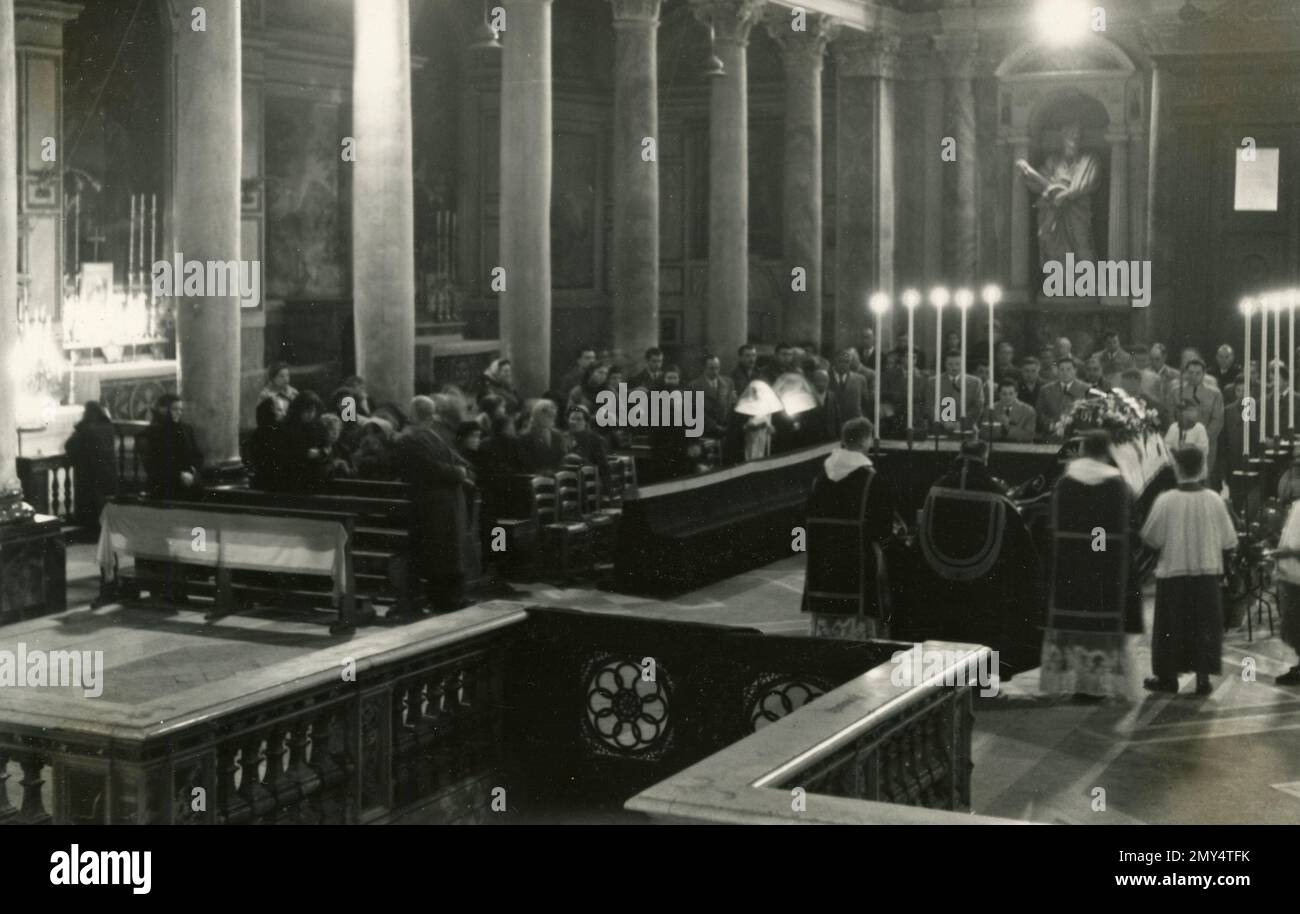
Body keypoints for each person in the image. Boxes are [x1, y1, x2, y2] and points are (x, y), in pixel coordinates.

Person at [1040, 431, 1144, 699]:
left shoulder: (1065, 484)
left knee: (1074, 624)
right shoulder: (1117, 485)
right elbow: (1128, 526)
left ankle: (1076, 684)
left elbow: (1053, 526)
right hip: (1107, 568)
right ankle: (1099, 685)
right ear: (1107, 451)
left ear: (1084, 450)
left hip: (1071, 567)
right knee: (1101, 625)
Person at [1140, 446, 1238, 696]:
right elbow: (1230, 541)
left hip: (1173, 574)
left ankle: (1167, 678)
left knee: (1171, 627)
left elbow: (1150, 539)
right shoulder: (1214, 500)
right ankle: (1203, 680)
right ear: (1202, 467)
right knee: (1204, 626)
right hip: (1206, 574)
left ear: (1178, 468)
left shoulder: (1165, 500)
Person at [802, 418, 897, 640]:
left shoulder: (821, 478)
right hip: (857, 566)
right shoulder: (872, 480)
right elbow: (882, 531)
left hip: (824, 564)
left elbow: (806, 518)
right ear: (865, 440)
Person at [395, 395, 474, 614]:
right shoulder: (408, 439)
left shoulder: (431, 434)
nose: (430, 420)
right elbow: (427, 468)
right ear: (419, 416)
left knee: (453, 551)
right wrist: (458, 472)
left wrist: (461, 467)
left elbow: (454, 457)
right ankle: (442, 599)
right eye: (427, 415)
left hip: (448, 502)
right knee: (440, 554)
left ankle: (455, 596)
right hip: (430, 505)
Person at [64, 401, 119, 529]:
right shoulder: (108, 427)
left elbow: (69, 445)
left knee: (90, 506)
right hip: (108, 474)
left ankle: (89, 529)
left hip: (89, 474)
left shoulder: (85, 428)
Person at [1167, 359, 1224, 480]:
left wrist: (1201, 437)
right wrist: (1178, 435)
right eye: (1191, 372)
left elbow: (1217, 420)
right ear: (1186, 373)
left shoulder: (1215, 394)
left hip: (1206, 443)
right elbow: (1171, 415)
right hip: (1180, 442)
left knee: (1203, 476)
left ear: (1204, 374)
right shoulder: (1176, 391)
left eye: (1198, 373)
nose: (1194, 376)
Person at [141, 394, 203, 499]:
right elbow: (153, 464)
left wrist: (193, 471)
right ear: (163, 410)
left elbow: (197, 455)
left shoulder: (187, 429)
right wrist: (179, 476)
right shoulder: (154, 431)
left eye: (180, 409)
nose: (179, 412)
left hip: (189, 481)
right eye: (175, 409)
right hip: (165, 485)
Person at [1268, 499, 1300, 685]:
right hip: (1291, 576)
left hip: (1296, 577)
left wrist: (1286, 553)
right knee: (1293, 623)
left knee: (1295, 624)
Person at [280, 391, 332, 492]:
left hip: (316, 475)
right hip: (293, 476)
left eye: (313, 411)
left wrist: (321, 453)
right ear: (299, 410)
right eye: (307, 411)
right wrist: (304, 454)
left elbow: (327, 447)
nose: (311, 415)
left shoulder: (319, 426)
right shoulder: (287, 426)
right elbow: (283, 451)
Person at [924, 350, 982, 434]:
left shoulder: (975, 383)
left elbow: (977, 407)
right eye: (950, 364)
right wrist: (943, 422)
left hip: (967, 429)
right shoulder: (933, 382)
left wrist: (961, 423)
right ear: (945, 364)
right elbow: (930, 406)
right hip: (939, 429)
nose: (954, 368)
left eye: (957, 364)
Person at [1035, 357, 1090, 438]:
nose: (1065, 373)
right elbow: (1040, 412)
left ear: (1075, 370)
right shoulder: (1046, 389)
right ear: (1057, 371)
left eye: (1068, 369)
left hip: (1076, 436)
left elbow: (1088, 414)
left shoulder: (1086, 389)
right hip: (1051, 435)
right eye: (1062, 370)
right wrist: (1051, 425)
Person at [689, 354, 736, 439]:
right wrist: (715, 427)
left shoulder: (728, 383)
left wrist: (728, 426)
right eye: (711, 368)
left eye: (717, 368)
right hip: (706, 433)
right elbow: (696, 412)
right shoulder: (694, 386)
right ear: (703, 368)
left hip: (725, 432)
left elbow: (731, 406)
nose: (715, 372)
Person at [246, 397, 287, 490]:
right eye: (279, 410)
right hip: (272, 482)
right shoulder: (277, 433)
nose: (284, 414)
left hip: (262, 480)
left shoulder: (257, 433)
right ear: (270, 411)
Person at [828, 347, 873, 432]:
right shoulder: (825, 378)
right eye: (840, 361)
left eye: (847, 362)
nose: (843, 364)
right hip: (832, 427)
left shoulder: (860, 379)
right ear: (834, 361)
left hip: (854, 426)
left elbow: (866, 404)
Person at [519, 399, 567, 474]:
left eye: (553, 416)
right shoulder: (524, 437)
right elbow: (525, 463)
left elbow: (563, 459)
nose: (551, 419)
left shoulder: (557, 435)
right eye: (548, 415)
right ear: (537, 415)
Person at [1164, 402, 1209, 468]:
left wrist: (1188, 446)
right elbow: (1166, 445)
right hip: (1176, 465)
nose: (1181, 414)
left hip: (1195, 466)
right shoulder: (1173, 427)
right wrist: (1174, 453)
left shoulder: (1200, 428)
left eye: (1190, 411)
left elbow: (1204, 450)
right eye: (1180, 411)